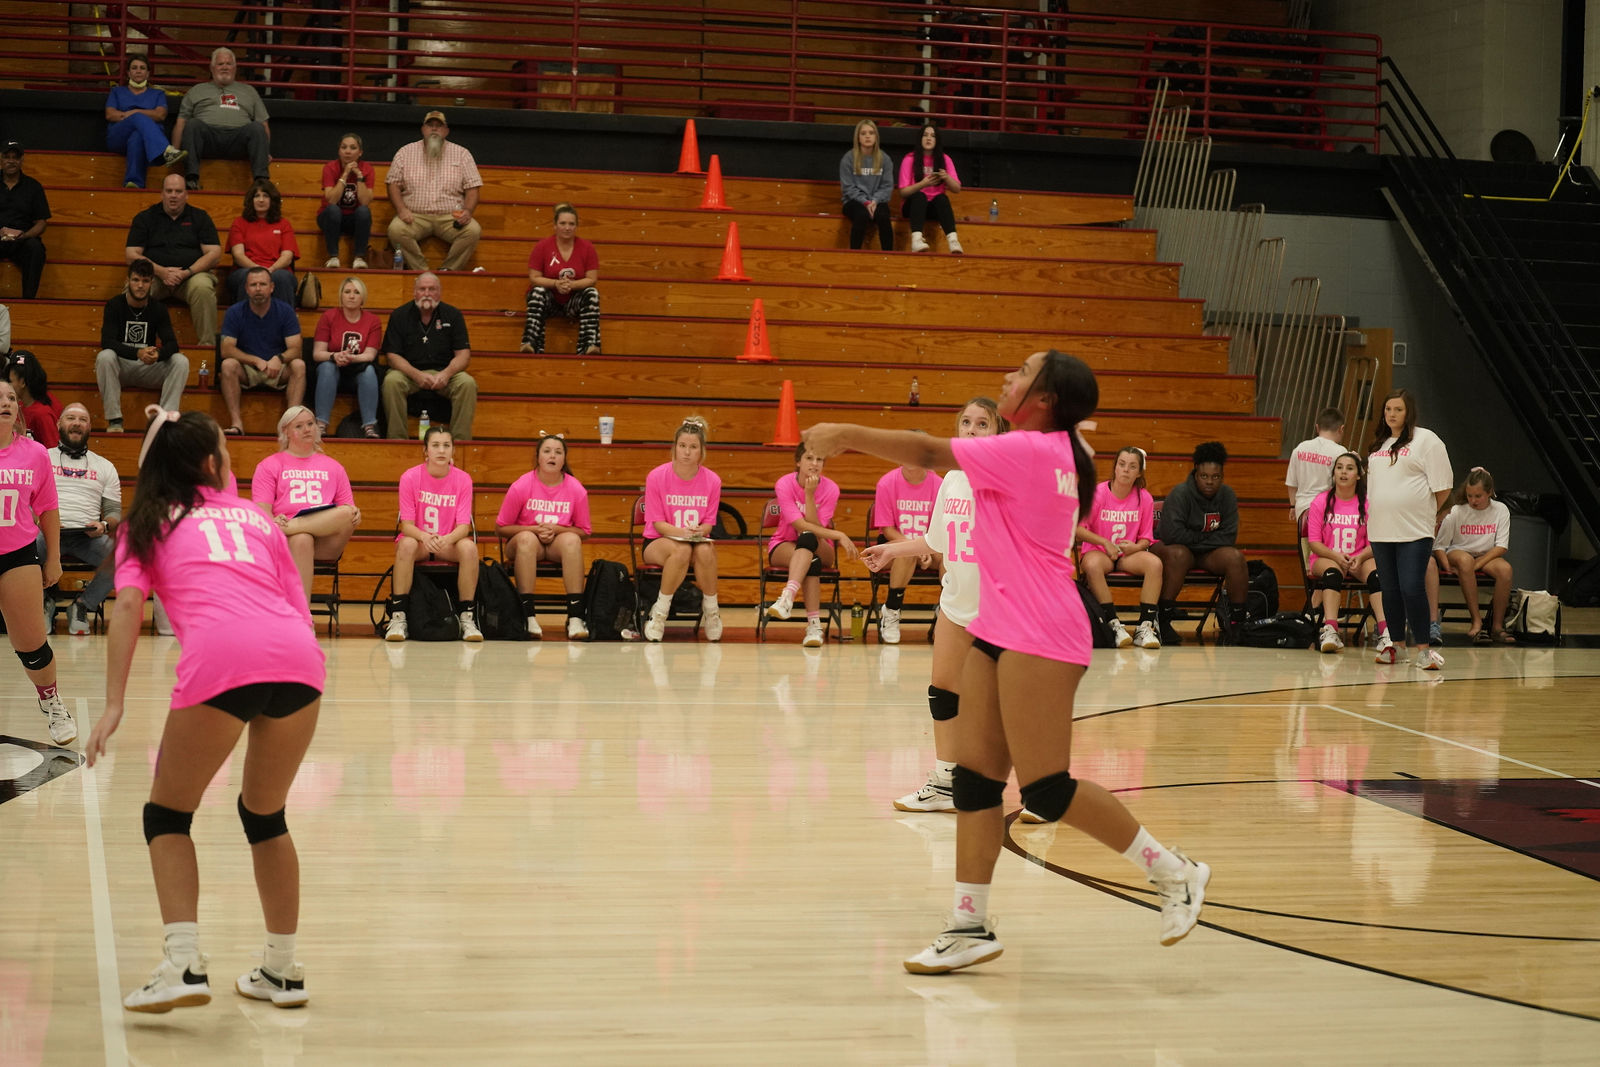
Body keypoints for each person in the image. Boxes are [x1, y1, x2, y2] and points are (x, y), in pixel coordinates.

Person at [802, 350, 1210, 974]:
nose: (1007, 378)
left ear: (1045, 398)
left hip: (1040, 627)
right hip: (998, 620)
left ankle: (1174, 871)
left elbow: (927, 452)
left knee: (1047, 787)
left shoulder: (1032, 449)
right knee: (975, 781)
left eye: (1022, 373)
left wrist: (844, 434)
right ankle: (969, 924)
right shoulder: (1060, 447)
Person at [85, 405, 322, 1013]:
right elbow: (297, 603)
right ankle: (282, 969)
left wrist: (113, 705)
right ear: (212, 463)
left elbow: (128, 606)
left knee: (167, 815)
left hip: (223, 656)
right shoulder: (256, 516)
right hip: (299, 657)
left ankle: (183, 962)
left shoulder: (145, 522)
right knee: (265, 815)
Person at [862, 398, 1004, 813]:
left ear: (999, 432)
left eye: (983, 423)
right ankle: (945, 783)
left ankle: (1038, 789)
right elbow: (936, 541)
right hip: (956, 604)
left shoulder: (1007, 480)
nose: (972, 430)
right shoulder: (951, 480)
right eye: (966, 422)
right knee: (943, 693)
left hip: (998, 610)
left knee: (1009, 702)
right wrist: (892, 550)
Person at [0, 379, 70, 744]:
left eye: (11, 397)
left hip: (17, 557)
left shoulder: (35, 453)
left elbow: (48, 509)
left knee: (31, 645)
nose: (6, 402)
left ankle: (51, 702)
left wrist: (53, 558)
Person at [1367, 388, 1452, 670]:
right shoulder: (1379, 445)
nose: (1391, 414)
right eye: (1388, 409)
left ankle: (1424, 650)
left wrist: (1426, 514)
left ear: (1409, 412)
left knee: (1412, 586)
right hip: (1381, 530)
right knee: (1390, 589)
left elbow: (1443, 487)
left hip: (1415, 530)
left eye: (1398, 409)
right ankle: (1397, 646)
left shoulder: (1427, 440)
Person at [251, 406, 360, 601]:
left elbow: (347, 509)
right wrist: (275, 522)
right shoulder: (269, 465)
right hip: (285, 540)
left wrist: (355, 514)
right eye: (299, 426)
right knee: (302, 539)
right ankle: (303, 613)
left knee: (347, 513)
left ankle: (292, 526)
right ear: (285, 431)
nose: (307, 429)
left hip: (325, 539)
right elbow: (262, 511)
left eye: (310, 424)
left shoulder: (334, 467)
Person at [385, 425, 480, 642]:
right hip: (420, 542)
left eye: (446, 445)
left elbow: (463, 527)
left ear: (453, 450)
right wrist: (425, 537)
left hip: (447, 543)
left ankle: (467, 618)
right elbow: (406, 525)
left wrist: (446, 539)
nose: (441, 450)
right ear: (425, 450)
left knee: (469, 548)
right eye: (435, 445)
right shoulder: (410, 477)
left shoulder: (463, 479)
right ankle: (399, 618)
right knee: (406, 544)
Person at [1151, 441, 1250, 644]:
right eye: (1204, 476)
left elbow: (1229, 537)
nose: (1209, 482)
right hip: (1172, 549)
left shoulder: (1228, 496)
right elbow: (1171, 535)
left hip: (1205, 553)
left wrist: (1196, 540)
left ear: (1222, 476)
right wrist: (1206, 539)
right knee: (1179, 554)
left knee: (1235, 557)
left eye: (1215, 477)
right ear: (1196, 473)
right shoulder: (1180, 494)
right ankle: (1162, 619)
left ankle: (1237, 624)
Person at [496, 433, 591, 640]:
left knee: (572, 540)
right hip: (523, 543)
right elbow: (501, 528)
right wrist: (533, 530)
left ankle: (575, 616)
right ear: (538, 457)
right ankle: (528, 615)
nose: (552, 456)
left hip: (556, 544)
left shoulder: (576, 488)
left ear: (564, 459)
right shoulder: (522, 485)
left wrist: (557, 529)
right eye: (547, 451)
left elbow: (584, 531)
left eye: (558, 452)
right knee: (527, 539)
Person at [764, 441, 858, 647]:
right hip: (784, 543)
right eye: (809, 458)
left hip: (821, 545)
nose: (814, 463)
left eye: (819, 459)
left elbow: (815, 528)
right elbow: (798, 524)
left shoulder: (831, 489)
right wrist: (838, 534)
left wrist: (809, 494)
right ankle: (814, 626)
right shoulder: (784, 484)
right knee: (810, 558)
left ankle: (787, 598)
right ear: (798, 461)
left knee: (808, 538)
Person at [639, 416, 724, 643]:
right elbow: (657, 524)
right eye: (682, 445)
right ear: (674, 448)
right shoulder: (656, 476)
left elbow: (709, 523)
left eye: (693, 447)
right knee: (681, 550)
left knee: (705, 550)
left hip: (695, 542)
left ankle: (712, 612)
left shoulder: (713, 481)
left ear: (702, 451)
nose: (687, 452)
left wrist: (698, 531)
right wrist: (683, 533)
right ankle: (659, 613)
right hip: (658, 541)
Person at [1077, 445, 1162, 649]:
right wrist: (1104, 542)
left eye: (1132, 466)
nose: (1125, 470)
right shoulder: (1097, 493)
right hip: (1099, 552)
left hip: (1127, 555)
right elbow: (1078, 529)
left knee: (1155, 564)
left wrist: (1135, 547)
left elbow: (1146, 538)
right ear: (1115, 467)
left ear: (1139, 472)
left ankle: (1144, 627)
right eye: (1122, 464)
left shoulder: (1144, 498)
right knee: (1093, 566)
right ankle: (1113, 624)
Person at [124, 173, 222, 348]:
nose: (173, 195)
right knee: (134, 287)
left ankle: (207, 348)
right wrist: (161, 271)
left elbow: (214, 253)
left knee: (203, 287)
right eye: (169, 191)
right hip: (154, 276)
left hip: (191, 277)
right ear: (162, 193)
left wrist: (187, 273)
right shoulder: (145, 218)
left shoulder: (200, 217)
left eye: (178, 191)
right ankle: (131, 346)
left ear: (186, 194)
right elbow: (131, 254)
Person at [49, 403, 122, 636]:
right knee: (20, 552)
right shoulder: (42, 457)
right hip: (48, 533)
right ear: (59, 424)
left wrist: (104, 525)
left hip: (88, 537)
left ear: (89, 427)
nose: (77, 423)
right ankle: (43, 603)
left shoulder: (105, 466)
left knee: (123, 559)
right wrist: (41, 521)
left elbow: (114, 512)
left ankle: (82, 606)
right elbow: (27, 501)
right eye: (71, 418)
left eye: (83, 420)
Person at [96, 258, 191, 433]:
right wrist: (137, 352)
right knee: (105, 356)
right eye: (136, 280)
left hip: (148, 367)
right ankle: (115, 420)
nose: (140, 285)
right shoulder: (115, 305)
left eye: (145, 281)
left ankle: (165, 420)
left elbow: (172, 344)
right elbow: (107, 341)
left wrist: (158, 355)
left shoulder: (158, 308)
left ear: (151, 283)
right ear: (128, 281)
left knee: (180, 361)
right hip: (122, 368)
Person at [1305, 452, 1386, 655]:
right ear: (1333, 473)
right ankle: (1331, 630)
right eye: (1339, 467)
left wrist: (1360, 557)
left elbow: (1375, 542)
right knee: (1332, 573)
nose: (1343, 472)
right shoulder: (1321, 501)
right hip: (1326, 557)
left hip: (1359, 558)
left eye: (1349, 468)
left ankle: (1386, 633)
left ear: (1358, 475)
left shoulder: (1368, 503)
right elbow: (1314, 542)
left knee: (1377, 575)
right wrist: (1336, 557)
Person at [380, 272, 476, 440]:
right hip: (409, 374)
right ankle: (397, 440)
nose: (427, 293)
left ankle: (459, 442)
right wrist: (416, 375)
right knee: (391, 381)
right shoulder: (399, 315)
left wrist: (446, 374)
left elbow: (463, 355)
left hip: (444, 373)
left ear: (439, 292)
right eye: (422, 289)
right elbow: (392, 356)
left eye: (432, 289)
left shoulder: (453, 315)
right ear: (414, 292)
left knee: (467, 383)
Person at [385, 110, 483, 272]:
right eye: (430, 125)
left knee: (473, 230)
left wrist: (467, 211)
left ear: (446, 131)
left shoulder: (462, 154)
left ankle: (448, 270)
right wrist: (401, 209)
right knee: (395, 230)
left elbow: (473, 188)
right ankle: (422, 272)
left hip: (451, 217)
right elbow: (393, 184)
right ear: (423, 129)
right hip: (415, 216)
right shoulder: (405, 152)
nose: (434, 129)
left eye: (439, 126)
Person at [219, 266, 306, 435]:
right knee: (228, 365)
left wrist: (279, 359)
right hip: (248, 369)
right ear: (246, 289)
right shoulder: (234, 312)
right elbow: (226, 350)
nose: (258, 289)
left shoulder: (285, 311)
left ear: (272, 287)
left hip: (277, 369)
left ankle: (291, 424)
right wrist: (255, 360)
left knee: (299, 365)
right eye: (253, 285)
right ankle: (236, 423)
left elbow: (296, 349)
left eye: (263, 284)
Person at [171, 47, 271, 190]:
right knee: (193, 124)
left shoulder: (249, 91)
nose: (225, 67)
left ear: (235, 68)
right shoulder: (196, 90)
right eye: (220, 64)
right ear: (212, 68)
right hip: (208, 141)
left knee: (256, 127)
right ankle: (191, 179)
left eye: (228, 64)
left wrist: (265, 153)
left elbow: (264, 124)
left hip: (238, 141)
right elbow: (181, 122)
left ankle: (262, 183)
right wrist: (175, 150)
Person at [1434, 466, 1513, 644]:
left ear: (1489, 493)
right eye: (1470, 496)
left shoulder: (1501, 510)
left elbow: (1501, 546)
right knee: (1465, 560)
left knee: (1505, 570)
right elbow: (1439, 546)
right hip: (1459, 552)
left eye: (1478, 496)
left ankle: (1497, 626)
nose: (1473, 500)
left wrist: (1477, 565)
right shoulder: (1457, 511)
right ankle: (1476, 621)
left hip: (1486, 555)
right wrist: (1447, 566)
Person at [870, 452, 942, 645]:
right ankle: (892, 609)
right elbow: (887, 530)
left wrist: (926, 548)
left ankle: (946, 611)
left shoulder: (939, 485)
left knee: (950, 557)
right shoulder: (886, 483)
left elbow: (940, 528)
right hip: (895, 545)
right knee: (905, 551)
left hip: (930, 546)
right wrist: (916, 548)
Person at [519, 203, 601, 356]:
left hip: (573, 302)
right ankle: (530, 342)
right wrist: (556, 284)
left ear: (576, 226)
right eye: (563, 223)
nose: (567, 228)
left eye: (571, 224)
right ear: (555, 225)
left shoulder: (587, 247)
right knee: (537, 292)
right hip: (549, 301)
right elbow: (534, 278)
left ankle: (589, 345)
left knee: (592, 293)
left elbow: (592, 279)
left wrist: (572, 285)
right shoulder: (542, 246)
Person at [310, 275, 381, 438]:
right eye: (347, 292)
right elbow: (317, 353)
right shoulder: (329, 316)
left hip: (358, 367)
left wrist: (349, 358)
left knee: (369, 371)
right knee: (327, 368)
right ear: (341, 295)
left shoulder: (373, 321)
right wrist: (335, 356)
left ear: (363, 298)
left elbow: (370, 355)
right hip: (333, 365)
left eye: (356, 292)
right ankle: (321, 425)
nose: (351, 296)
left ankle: (370, 427)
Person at [104, 56, 187, 189]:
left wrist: (132, 112)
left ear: (148, 73)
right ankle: (166, 150)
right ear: (128, 73)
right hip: (118, 138)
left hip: (145, 142)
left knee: (137, 136)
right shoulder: (117, 91)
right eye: (134, 68)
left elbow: (160, 115)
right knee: (137, 117)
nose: (138, 71)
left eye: (142, 68)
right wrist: (135, 116)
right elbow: (110, 114)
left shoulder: (157, 94)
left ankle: (134, 183)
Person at [227, 179, 299, 308]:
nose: (261, 200)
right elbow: (238, 256)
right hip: (246, 269)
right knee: (249, 277)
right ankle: (245, 320)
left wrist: (271, 270)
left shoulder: (284, 224)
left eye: (265, 196)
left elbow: (287, 257)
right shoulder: (239, 223)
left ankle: (285, 321)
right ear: (251, 200)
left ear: (272, 200)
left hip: (276, 270)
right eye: (257, 196)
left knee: (281, 277)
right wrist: (258, 271)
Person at [897, 123, 964, 254]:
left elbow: (957, 188)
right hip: (912, 207)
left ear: (937, 140)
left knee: (942, 198)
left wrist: (946, 177)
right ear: (920, 139)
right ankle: (916, 240)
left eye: (932, 136)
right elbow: (903, 192)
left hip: (933, 208)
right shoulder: (909, 159)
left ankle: (953, 241)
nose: (928, 138)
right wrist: (923, 184)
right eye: (925, 135)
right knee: (920, 196)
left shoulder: (945, 159)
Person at [0, 142, 50, 300]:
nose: (11, 161)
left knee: (35, 249)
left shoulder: (33, 187)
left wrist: (25, 235)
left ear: (22, 160)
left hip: (22, 240)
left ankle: (28, 301)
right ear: (1, 159)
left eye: (15, 157)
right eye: (7, 157)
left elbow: (41, 222)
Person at [319, 133, 374, 269]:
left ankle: (359, 258)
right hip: (329, 218)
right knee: (333, 209)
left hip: (353, 220)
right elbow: (332, 199)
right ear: (339, 151)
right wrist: (345, 174)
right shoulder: (330, 168)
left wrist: (359, 176)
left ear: (360, 152)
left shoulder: (367, 169)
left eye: (353, 148)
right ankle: (333, 257)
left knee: (364, 211)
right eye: (344, 147)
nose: (347, 151)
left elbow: (365, 201)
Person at [839, 119, 894, 251]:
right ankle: (854, 254)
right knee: (862, 215)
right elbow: (848, 188)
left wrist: (874, 201)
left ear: (876, 137)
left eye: (871, 133)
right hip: (853, 201)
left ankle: (889, 255)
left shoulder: (884, 159)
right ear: (858, 138)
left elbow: (887, 186)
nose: (868, 136)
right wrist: (865, 202)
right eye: (863, 133)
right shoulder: (848, 158)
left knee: (883, 216)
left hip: (877, 201)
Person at [1285, 407, 1346, 520]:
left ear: (1317, 428)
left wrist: (1293, 506)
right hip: (1328, 509)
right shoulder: (1340, 452)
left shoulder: (1300, 448)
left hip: (1302, 509)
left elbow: (1292, 483)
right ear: (1341, 429)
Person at [8, 351, 62, 447]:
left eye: (10, 381)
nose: (7, 386)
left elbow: (52, 451)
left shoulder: (42, 414)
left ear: (22, 382)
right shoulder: (18, 407)